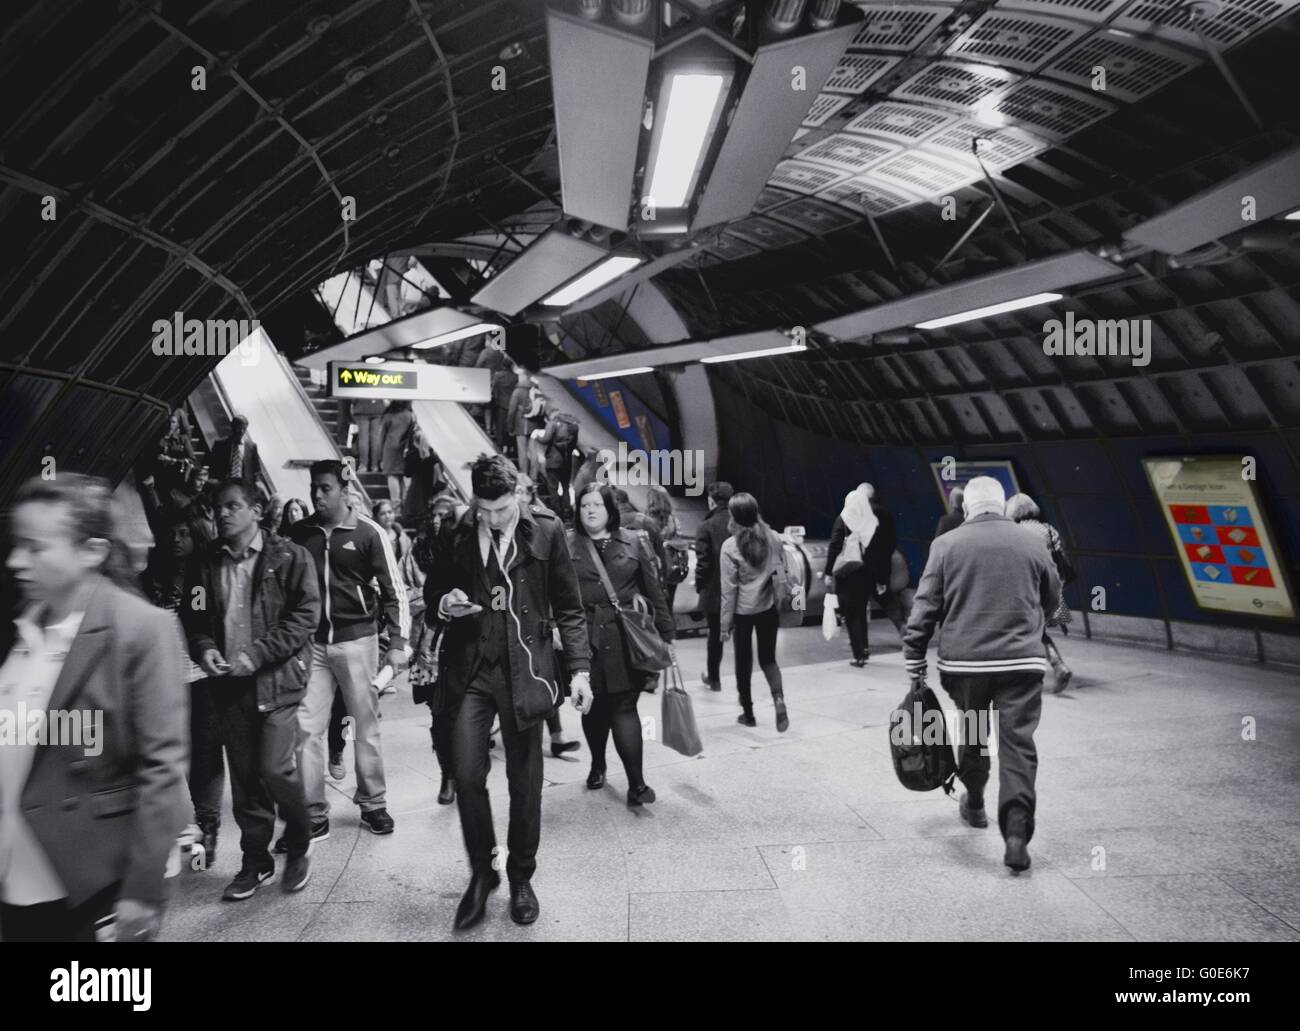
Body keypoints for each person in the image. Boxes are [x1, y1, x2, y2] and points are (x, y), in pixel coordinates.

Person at [1, 474, 188, 942]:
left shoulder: (142, 629)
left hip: (93, 882)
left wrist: (142, 892)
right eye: (15, 545)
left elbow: (162, 769)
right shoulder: (23, 626)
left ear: (92, 551)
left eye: (35, 547)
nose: (15, 560)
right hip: (16, 874)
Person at [423, 454, 592, 930]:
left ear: (518, 493)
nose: (493, 519)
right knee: (466, 772)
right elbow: (433, 594)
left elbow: (569, 606)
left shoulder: (547, 530)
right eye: (484, 509)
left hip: (526, 670)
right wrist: (444, 603)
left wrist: (579, 671)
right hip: (470, 669)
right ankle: (482, 873)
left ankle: (521, 875)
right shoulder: (456, 532)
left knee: (525, 781)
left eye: (501, 509)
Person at [902, 476, 1061, 873]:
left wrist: (914, 659)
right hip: (1021, 664)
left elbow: (924, 607)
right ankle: (1016, 831)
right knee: (1018, 743)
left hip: (966, 667)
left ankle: (974, 803)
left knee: (975, 732)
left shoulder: (945, 545)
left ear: (968, 508)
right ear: (1001, 505)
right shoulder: (1033, 542)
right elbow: (1053, 598)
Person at [182, 480, 320, 901]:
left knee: (275, 767)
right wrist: (204, 649)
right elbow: (195, 614)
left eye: (233, 506)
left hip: (278, 681)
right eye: (217, 508)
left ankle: (299, 843)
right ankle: (256, 860)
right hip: (228, 685)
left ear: (257, 511)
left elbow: (305, 617)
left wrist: (258, 654)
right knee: (244, 780)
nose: (223, 514)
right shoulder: (204, 563)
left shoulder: (290, 557)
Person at [286, 460, 409, 844]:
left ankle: (373, 803)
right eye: (313, 488)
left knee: (363, 726)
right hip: (313, 645)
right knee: (306, 729)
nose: (317, 495)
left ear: (344, 489)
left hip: (358, 640)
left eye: (325, 488)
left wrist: (399, 643)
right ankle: (312, 812)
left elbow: (395, 591)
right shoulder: (299, 534)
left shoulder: (369, 533)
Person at [567, 483, 673, 802]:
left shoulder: (633, 541)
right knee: (594, 709)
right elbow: (554, 594)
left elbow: (653, 589)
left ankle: (637, 784)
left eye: (597, 504)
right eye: (585, 504)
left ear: (610, 510)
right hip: (584, 637)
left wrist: (667, 635)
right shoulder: (566, 543)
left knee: (625, 707)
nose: (590, 510)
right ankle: (598, 764)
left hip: (624, 637)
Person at [139, 507, 222, 864]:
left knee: (205, 749)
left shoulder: (203, 574)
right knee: (174, 751)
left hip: (199, 673)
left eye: (184, 533)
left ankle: (208, 822)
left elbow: (205, 621)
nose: (176, 540)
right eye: (170, 533)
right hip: (161, 677)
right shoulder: (146, 579)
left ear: (195, 536)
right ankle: (185, 820)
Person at [515, 477, 580, 757]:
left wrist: (553, 623)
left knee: (546, 680)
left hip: (540, 623)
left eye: (521, 491)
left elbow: (561, 589)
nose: (516, 497)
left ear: (530, 496)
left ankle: (556, 736)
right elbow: (492, 587)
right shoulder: (490, 531)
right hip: (509, 623)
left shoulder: (547, 528)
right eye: (512, 491)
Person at [718, 493, 790, 731]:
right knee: (768, 659)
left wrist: (724, 626)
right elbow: (785, 571)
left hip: (742, 613)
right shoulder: (773, 538)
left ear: (734, 517)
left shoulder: (730, 546)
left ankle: (748, 713)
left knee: (743, 662)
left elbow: (729, 591)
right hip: (768, 607)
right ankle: (779, 699)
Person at [823, 483, 903, 666]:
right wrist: (883, 575)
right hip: (872, 572)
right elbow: (887, 547)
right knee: (888, 605)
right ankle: (906, 637)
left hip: (849, 573)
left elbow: (835, 545)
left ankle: (860, 653)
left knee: (854, 614)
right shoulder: (873, 520)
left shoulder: (844, 518)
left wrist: (828, 572)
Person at [1006, 493, 1073, 692]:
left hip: (1026, 590)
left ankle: (1045, 668)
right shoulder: (1049, 529)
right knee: (1036, 630)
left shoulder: (1015, 532)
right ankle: (1056, 664)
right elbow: (1062, 560)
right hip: (1051, 589)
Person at [694, 480, 734, 691]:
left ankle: (714, 679)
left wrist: (700, 585)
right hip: (744, 592)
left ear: (711, 501)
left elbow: (704, 562)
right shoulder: (741, 521)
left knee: (715, 636)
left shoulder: (706, 526)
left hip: (716, 593)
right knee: (743, 637)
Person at [532, 408, 581, 520]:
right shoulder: (574, 427)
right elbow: (573, 445)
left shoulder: (553, 424)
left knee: (553, 487)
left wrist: (537, 436)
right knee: (565, 487)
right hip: (567, 462)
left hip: (553, 460)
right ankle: (567, 510)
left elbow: (546, 439)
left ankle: (556, 511)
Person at [645, 484, 685, 611]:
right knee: (668, 604)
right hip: (672, 566)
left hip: (655, 567)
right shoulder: (673, 519)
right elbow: (679, 538)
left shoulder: (648, 520)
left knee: (654, 605)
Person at [379, 400, 415, 510]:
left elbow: (381, 436)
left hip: (389, 448)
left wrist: (380, 456)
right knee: (400, 477)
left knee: (392, 476)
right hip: (405, 448)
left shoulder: (388, 415)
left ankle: (395, 504)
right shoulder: (410, 415)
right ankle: (405, 502)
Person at [209, 414, 263, 486]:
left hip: (245, 485)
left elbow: (256, 469)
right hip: (224, 483)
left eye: (244, 428)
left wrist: (258, 482)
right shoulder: (220, 444)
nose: (241, 431)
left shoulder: (251, 446)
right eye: (239, 428)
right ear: (232, 427)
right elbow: (212, 465)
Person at [506, 371, 536, 472]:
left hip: (521, 425)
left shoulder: (518, 391)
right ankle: (534, 475)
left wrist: (510, 427)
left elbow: (511, 411)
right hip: (535, 424)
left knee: (522, 451)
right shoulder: (536, 389)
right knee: (533, 452)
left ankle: (524, 473)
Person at [349, 397, 386, 473]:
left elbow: (354, 397)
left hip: (361, 406)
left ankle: (363, 466)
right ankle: (374, 466)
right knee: (375, 439)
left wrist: (353, 404)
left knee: (363, 438)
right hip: (377, 407)